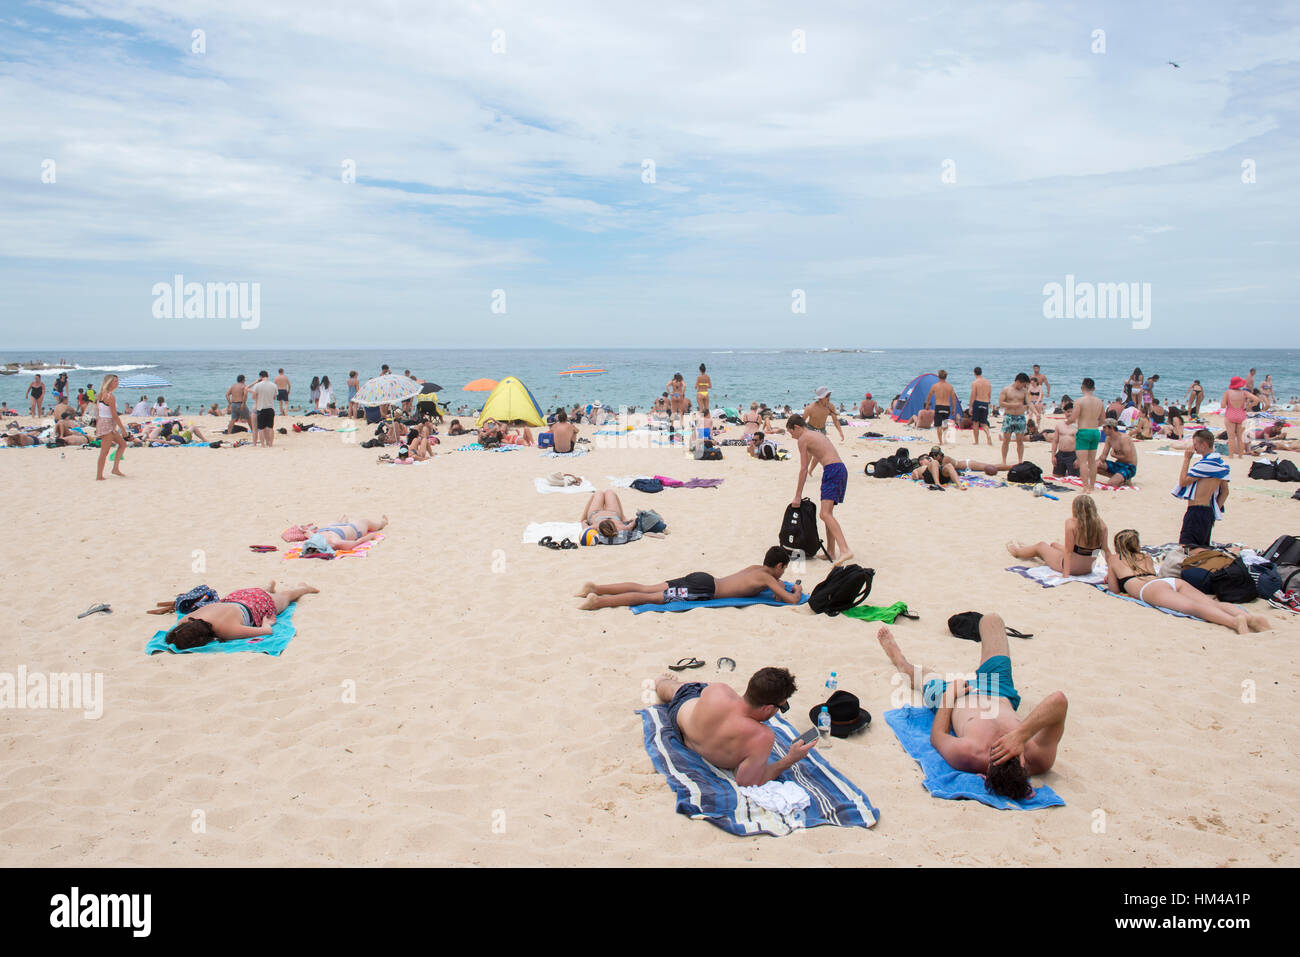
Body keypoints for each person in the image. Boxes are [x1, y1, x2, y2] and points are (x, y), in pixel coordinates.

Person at [876, 616, 1068, 798]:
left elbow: (938, 737)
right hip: (997, 689)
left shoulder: (970, 754)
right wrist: (1020, 735)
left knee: (923, 677)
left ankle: (899, 659)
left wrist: (950, 694)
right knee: (992, 620)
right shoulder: (1038, 758)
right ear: (1024, 761)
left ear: (984, 773)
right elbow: (1058, 701)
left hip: (957, 698)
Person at [651, 666, 814, 787]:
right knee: (688, 690)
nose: (780, 711)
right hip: (690, 734)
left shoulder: (719, 689)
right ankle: (664, 682)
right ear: (767, 708)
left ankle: (660, 682)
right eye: (782, 707)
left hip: (680, 719)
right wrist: (790, 759)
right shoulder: (761, 736)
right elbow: (748, 782)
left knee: (681, 689)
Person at [1106, 529, 1268, 633]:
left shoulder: (1114, 559)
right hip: (1170, 581)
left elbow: (1113, 589)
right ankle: (1249, 617)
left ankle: (1234, 622)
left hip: (1150, 589)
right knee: (1210, 602)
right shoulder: (1146, 556)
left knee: (1193, 608)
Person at [576, 546, 802, 610]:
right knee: (653, 598)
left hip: (703, 578)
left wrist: (780, 585)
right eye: (783, 570)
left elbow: (775, 585)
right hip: (704, 591)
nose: (783, 575)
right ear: (779, 566)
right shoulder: (768, 579)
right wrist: (797, 590)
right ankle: (599, 601)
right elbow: (789, 600)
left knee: (646, 588)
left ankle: (595, 586)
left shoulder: (757, 569)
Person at [163, 582, 319, 649]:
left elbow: (266, 632)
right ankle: (266, 587)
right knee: (265, 594)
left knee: (286, 597)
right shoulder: (184, 620)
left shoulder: (226, 631)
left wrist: (266, 622)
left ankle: (303, 588)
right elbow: (179, 629)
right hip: (238, 596)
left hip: (257, 604)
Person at [787, 413, 851, 564]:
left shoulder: (803, 439)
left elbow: (803, 468)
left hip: (833, 470)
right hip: (839, 469)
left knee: (824, 514)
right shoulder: (816, 434)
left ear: (796, 427)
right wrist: (813, 469)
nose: (792, 437)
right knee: (828, 513)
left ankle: (845, 550)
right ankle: (830, 551)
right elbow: (818, 455)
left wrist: (798, 495)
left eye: (791, 433)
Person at [1006, 494, 1108, 575]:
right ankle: (1029, 550)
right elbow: (1105, 550)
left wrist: (1065, 574)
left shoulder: (1071, 523)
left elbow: (1068, 552)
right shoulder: (1102, 525)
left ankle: (1017, 552)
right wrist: (1110, 570)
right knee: (1054, 545)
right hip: (1088, 568)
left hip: (1070, 567)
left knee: (1040, 546)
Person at [1171, 428, 1230, 552]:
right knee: (1202, 549)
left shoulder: (1204, 465)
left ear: (1203, 444)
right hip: (1208, 512)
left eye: (1196, 444)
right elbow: (1225, 492)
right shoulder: (1220, 465)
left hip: (1196, 511)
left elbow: (1183, 482)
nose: (1194, 448)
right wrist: (1215, 512)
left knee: (1186, 549)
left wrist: (1187, 459)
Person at [282, 515, 388, 550]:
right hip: (353, 529)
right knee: (365, 521)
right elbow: (356, 543)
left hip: (333, 527)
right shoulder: (335, 542)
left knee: (333, 522)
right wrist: (369, 537)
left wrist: (303, 529)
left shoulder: (314, 538)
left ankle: (342, 521)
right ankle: (382, 523)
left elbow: (306, 532)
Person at [94, 374, 127, 480]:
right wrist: (122, 429)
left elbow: (100, 411)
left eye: (117, 381)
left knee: (122, 444)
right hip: (107, 423)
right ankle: (99, 475)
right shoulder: (109, 396)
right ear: (109, 383)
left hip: (104, 422)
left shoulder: (101, 394)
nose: (117, 383)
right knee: (104, 451)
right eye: (115, 381)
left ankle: (115, 469)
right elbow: (114, 415)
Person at [1220, 376, 1259, 459]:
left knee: (1231, 438)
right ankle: (1240, 456)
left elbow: (1222, 406)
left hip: (1230, 414)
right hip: (1241, 415)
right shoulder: (1244, 393)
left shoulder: (1227, 392)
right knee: (1240, 438)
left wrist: (1227, 403)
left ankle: (1231, 456)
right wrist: (1248, 406)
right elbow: (1256, 400)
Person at [997, 373, 1031, 464]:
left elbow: (1029, 403)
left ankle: (1020, 461)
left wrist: (1036, 412)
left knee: (1020, 441)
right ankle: (1004, 461)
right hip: (1009, 416)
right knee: (1006, 440)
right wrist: (1013, 405)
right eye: (1023, 384)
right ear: (1018, 381)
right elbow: (1001, 403)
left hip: (1020, 417)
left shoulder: (1024, 391)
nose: (1023, 386)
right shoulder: (1006, 389)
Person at [1096, 418, 1138, 486]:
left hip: (1129, 466)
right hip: (1118, 464)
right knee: (1096, 465)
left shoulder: (1124, 438)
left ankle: (1123, 479)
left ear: (1111, 428)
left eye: (1105, 427)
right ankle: (1120, 478)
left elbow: (1128, 458)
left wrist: (1114, 456)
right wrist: (1095, 464)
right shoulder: (1108, 438)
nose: (1103, 429)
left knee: (1111, 483)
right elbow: (1103, 455)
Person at [924, 370, 958, 447]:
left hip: (939, 406)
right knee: (945, 424)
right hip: (946, 407)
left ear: (938, 376)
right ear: (946, 377)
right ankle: (945, 438)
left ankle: (941, 442)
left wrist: (927, 405)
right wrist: (953, 408)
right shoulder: (950, 387)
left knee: (939, 425)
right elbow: (954, 399)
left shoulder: (935, 386)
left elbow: (929, 396)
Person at [248, 371, 278, 447]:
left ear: (260, 377)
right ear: (267, 376)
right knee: (270, 428)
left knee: (261, 428)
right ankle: (270, 444)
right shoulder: (274, 385)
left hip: (261, 408)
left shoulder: (257, 385)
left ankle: (262, 445)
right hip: (270, 408)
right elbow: (274, 397)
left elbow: (253, 397)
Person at [1050, 400, 1078, 476]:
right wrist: (1053, 456)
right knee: (1056, 476)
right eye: (1068, 412)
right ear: (1065, 413)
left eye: (1072, 412)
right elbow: (1055, 441)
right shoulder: (1059, 425)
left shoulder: (1079, 426)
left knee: (1073, 477)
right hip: (1060, 454)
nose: (1070, 414)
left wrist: (1078, 459)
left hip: (1073, 455)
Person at [968, 367, 992, 445]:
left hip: (977, 402)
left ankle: (976, 441)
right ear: (981, 372)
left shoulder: (975, 383)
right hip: (985, 403)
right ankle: (988, 435)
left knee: (975, 423)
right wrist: (988, 404)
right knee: (984, 423)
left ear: (974, 373)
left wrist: (970, 406)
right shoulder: (988, 382)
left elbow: (973, 395)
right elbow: (989, 394)